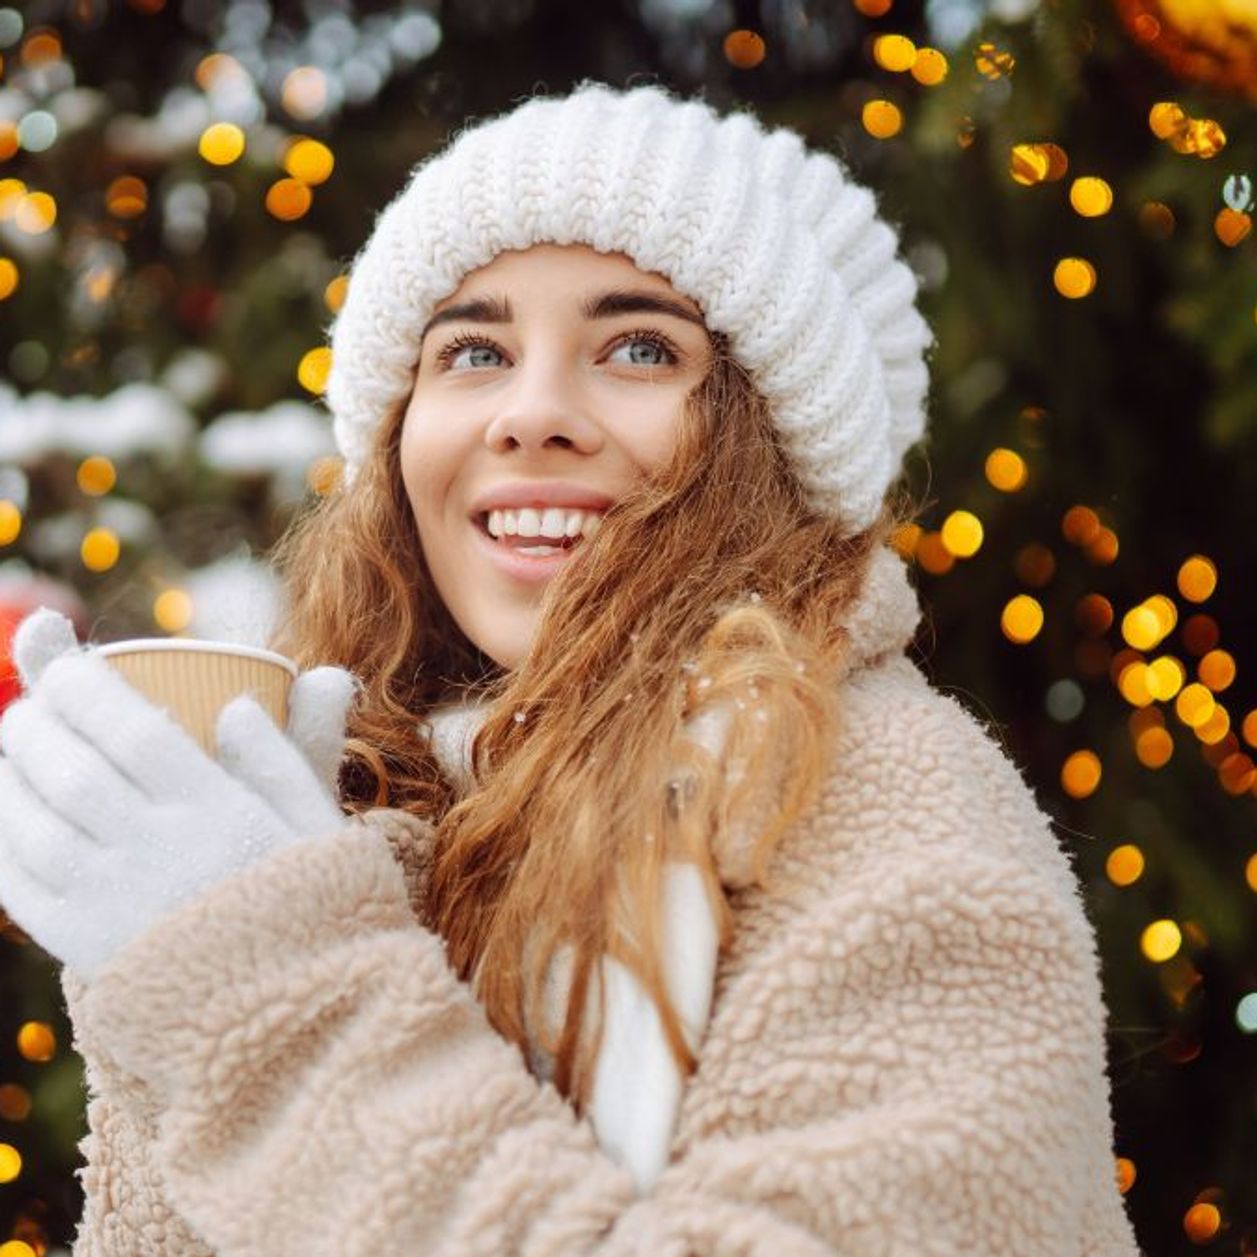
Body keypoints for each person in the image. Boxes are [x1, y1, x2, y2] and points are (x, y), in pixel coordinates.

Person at [0, 83, 1142, 1255]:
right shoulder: (391, 810)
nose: (532, 412)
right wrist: (183, 972)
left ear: (771, 442)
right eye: (474, 351)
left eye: (640, 347)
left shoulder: (891, 811)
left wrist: (264, 998)